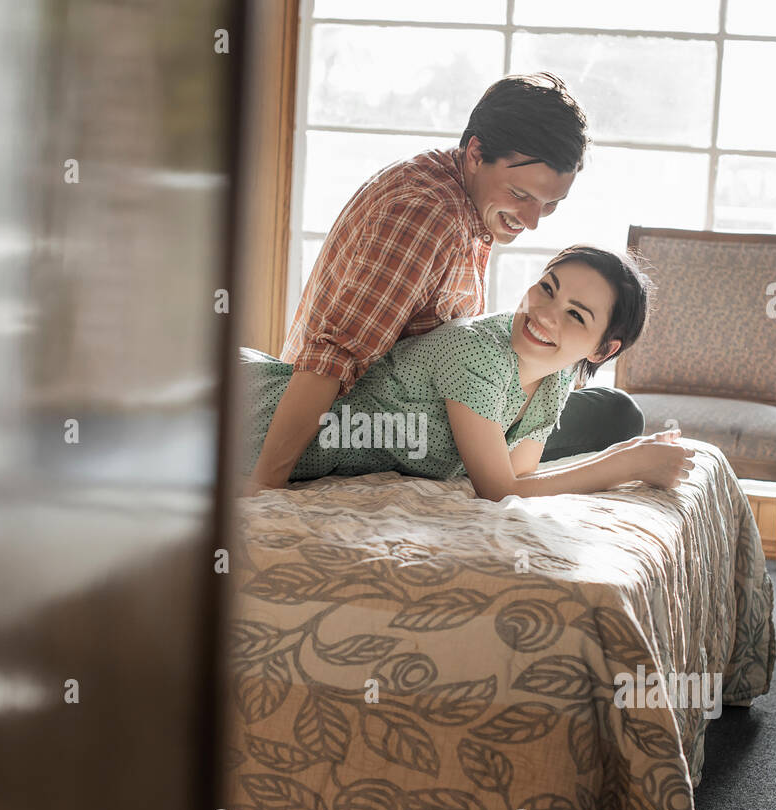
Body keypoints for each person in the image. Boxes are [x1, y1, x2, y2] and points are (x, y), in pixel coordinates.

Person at [243, 72, 645, 495]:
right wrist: (266, 483)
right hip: (383, 420)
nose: (530, 222)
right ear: (475, 153)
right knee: (614, 419)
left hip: (443, 410)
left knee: (613, 411)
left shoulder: (469, 199)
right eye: (521, 195)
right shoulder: (427, 216)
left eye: (550, 205)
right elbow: (334, 356)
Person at [239, 245, 694, 500]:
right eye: (547, 289)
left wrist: (632, 453)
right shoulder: (475, 352)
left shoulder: (556, 377)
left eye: (576, 315)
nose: (545, 314)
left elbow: (521, 480)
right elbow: (499, 488)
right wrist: (627, 463)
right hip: (253, 418)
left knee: (619, 414)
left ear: (602, 349)